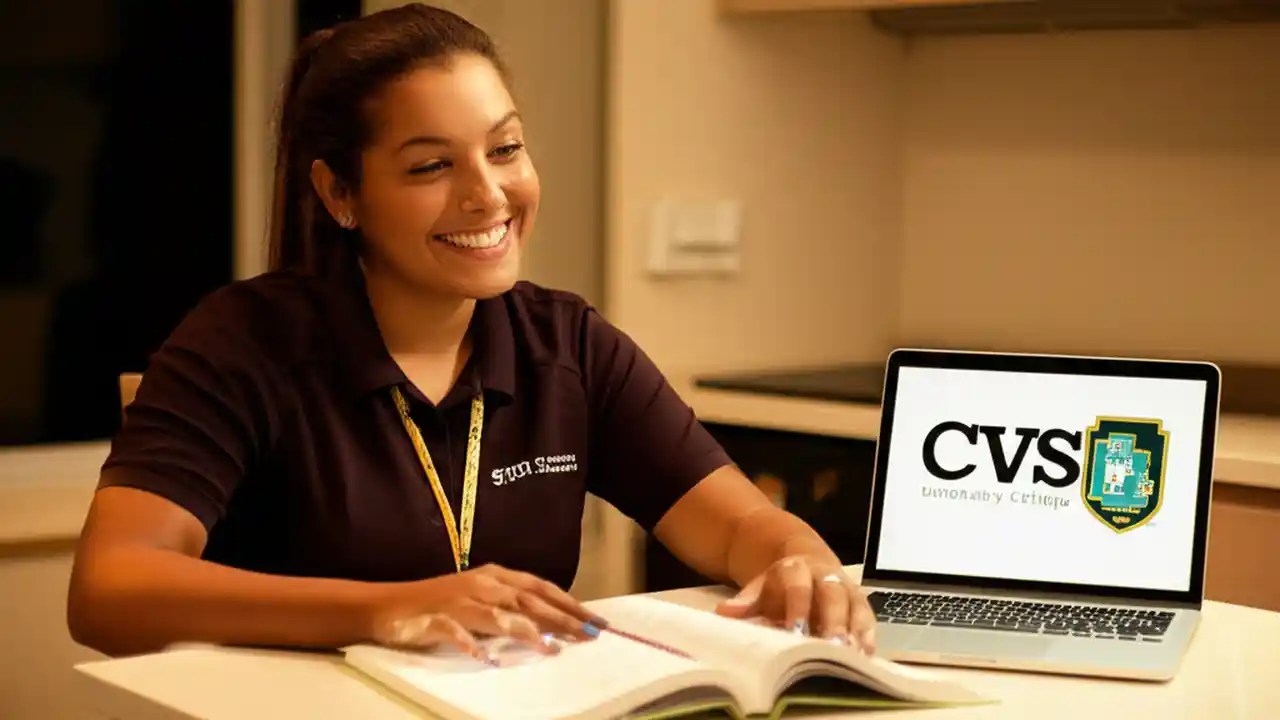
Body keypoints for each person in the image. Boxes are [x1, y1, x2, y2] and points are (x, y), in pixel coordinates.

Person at [66, 3, 876, 662]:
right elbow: (108, 592)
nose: (488, 195)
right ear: (341, 193)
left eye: (506, 149)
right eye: (430, 166)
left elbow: (737, 522)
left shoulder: (569, 345)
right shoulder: (242, 343)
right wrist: (393, 610)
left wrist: (795, 559)